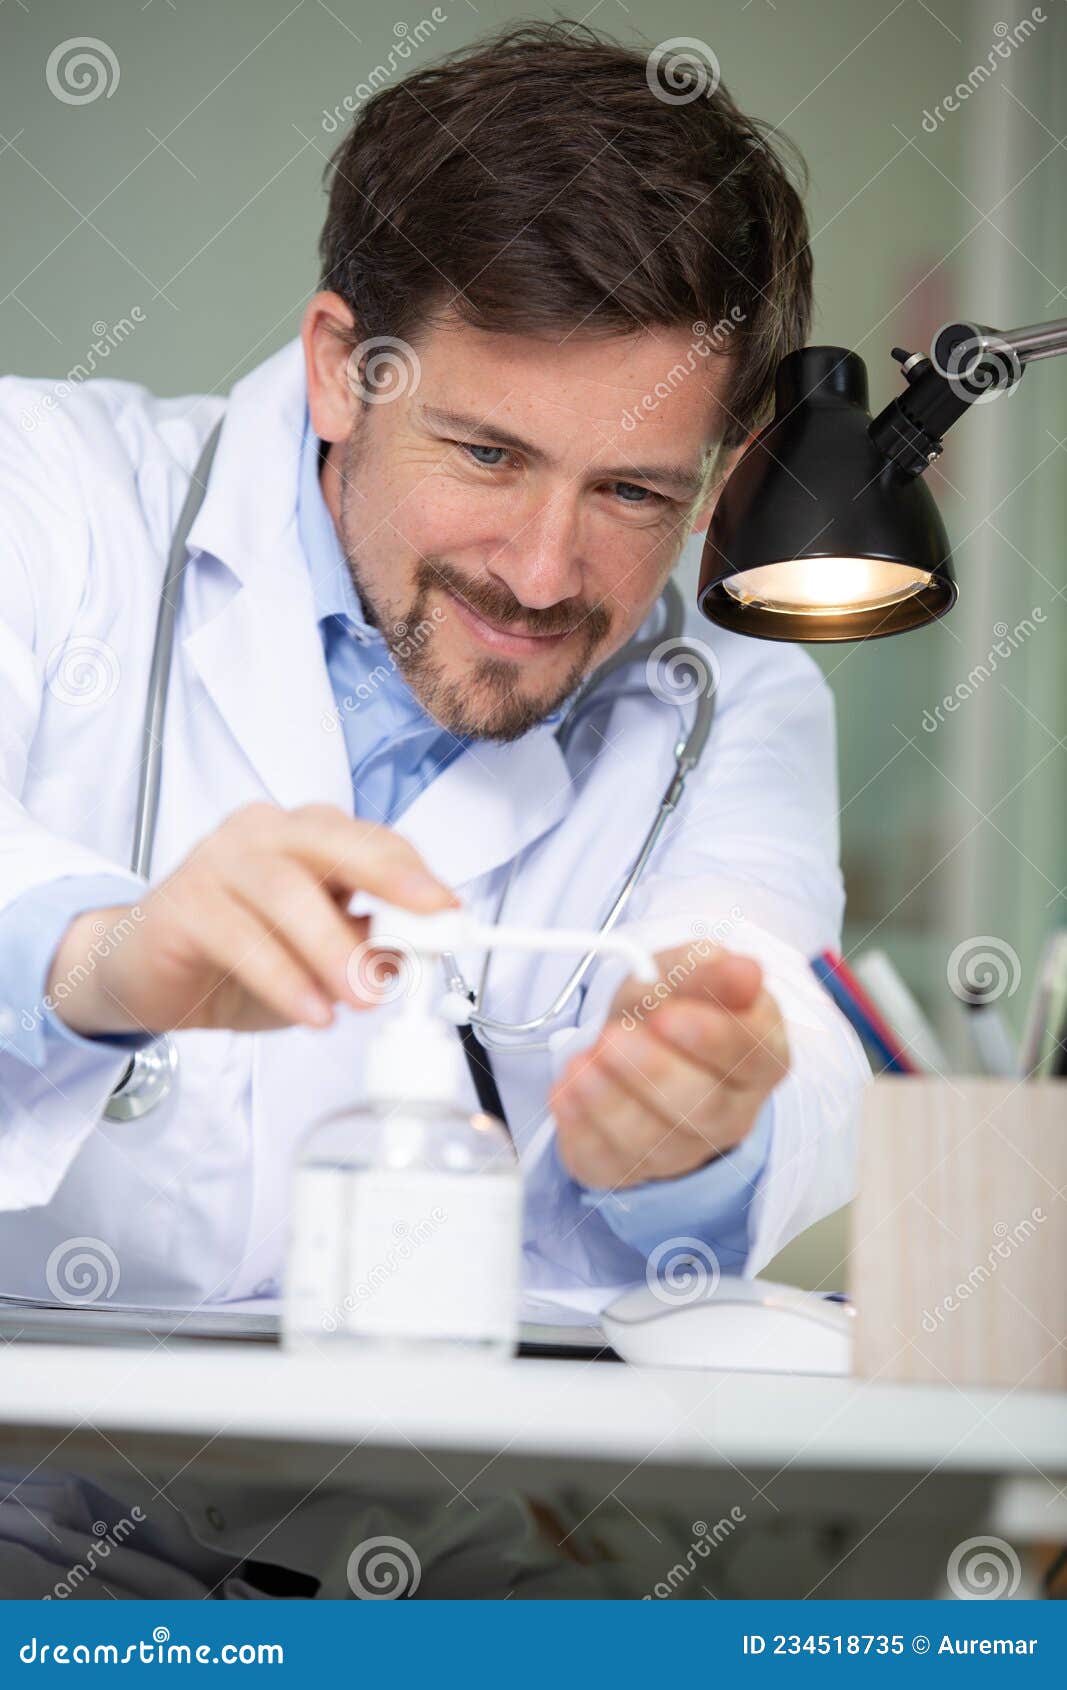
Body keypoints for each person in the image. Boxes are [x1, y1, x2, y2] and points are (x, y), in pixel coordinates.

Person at [0, 23, 867, 1313]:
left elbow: (768, 1011)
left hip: (439, 1504)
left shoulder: (731, 704)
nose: (540, 573)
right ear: (344, 369)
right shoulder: (49, 490)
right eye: (489, 456)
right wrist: (101, 959)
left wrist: (696, 1124)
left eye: (631, 491)